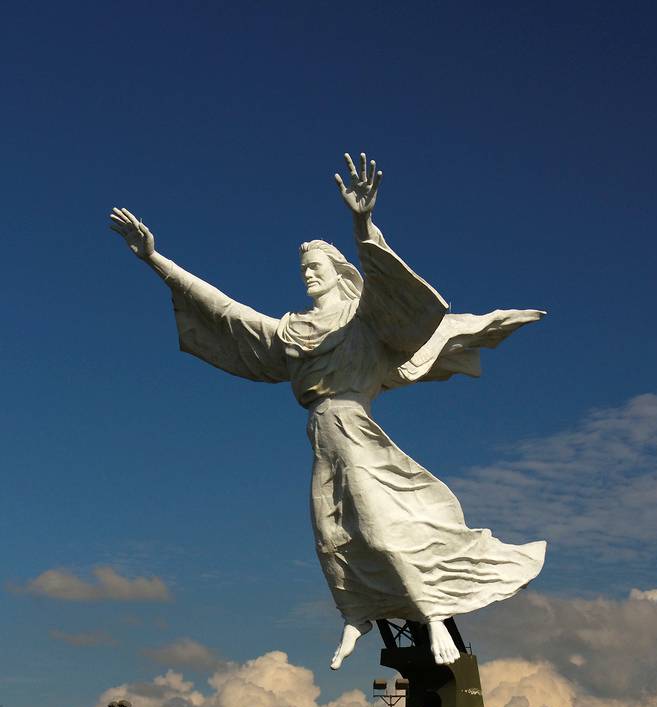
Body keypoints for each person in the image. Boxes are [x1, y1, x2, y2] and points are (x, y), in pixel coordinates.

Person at [110, 152, 546, 669]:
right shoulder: (290, 332)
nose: (307, 277)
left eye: (315, 268)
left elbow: (398, 292)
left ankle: (433, 616)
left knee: (384, 528)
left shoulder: (364, 323)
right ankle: (357, 616)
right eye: (302, 271)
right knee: (331, 533)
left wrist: (362, 221)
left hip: (354, 431)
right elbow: (225, 311)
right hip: (322, 437)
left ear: (339, 273)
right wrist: (156, 261)